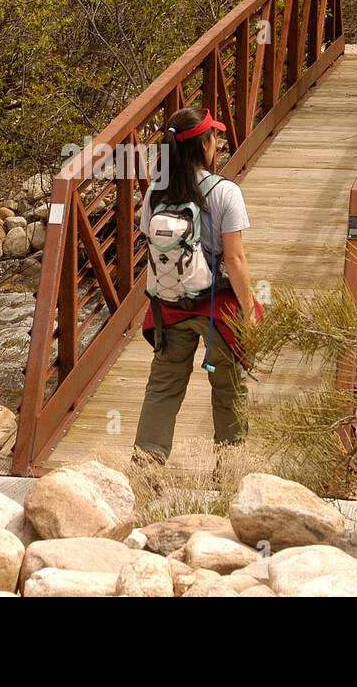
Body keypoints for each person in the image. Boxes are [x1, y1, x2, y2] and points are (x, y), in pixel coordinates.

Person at [131, 105, 261, 466]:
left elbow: (154, 248)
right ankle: (229, 471)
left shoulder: (155, 193)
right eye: (214, 137)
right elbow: (234, 260)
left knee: (163, 387)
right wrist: (248, 312)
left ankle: (147, 468)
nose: (217, 143)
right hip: (216, 307)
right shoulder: (225, 193)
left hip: (169, 305)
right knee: (227, 386)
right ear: (205, 144)